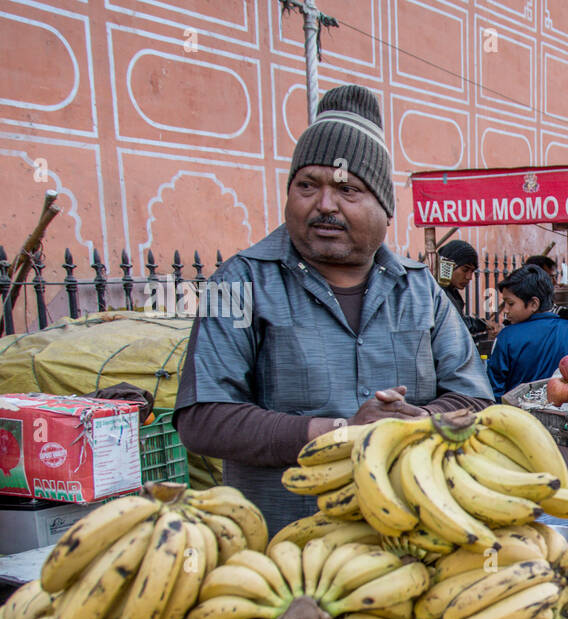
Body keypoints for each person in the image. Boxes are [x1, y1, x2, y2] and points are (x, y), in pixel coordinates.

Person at [175, 84, 493, 535]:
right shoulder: (240, 282)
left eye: (347, 189)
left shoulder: (420, 288)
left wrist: (415, 421)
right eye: (307, 185)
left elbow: (476, 399)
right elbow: (203, 418)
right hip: (282, 553)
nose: (324, 205)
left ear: (385, 209)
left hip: (411, 542)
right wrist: (341, 431)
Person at [487, 264, 568, 397]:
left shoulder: (506, 337)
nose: (506, 310)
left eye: (511, 303)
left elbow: (494, 389)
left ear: (534, 304)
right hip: (566, 413)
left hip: (519, 415)